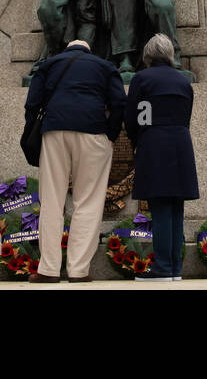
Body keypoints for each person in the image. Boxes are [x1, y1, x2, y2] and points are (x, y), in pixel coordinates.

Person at [23, 39, 125, 283]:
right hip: (93, 130)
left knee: (51, 201)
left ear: (67, 48)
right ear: (89, 49)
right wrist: (110, 134)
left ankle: (48, 269)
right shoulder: (104, 66)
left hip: (55, 131)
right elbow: (120, 103)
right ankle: (78, 270)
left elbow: (32, 104)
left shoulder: (49, 64)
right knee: (88, 201)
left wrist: (34, 130)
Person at [125, 33, 198, 282]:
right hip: (181, 143)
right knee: (177, 207)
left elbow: (132, 117)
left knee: (161, 207)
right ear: (169, 55)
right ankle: (175, 267)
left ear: (147, 57)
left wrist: (138, 142)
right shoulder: (183, 81)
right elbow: (186, 115)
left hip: (153, 142)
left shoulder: (141, 79)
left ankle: (162, 267)